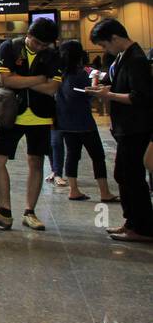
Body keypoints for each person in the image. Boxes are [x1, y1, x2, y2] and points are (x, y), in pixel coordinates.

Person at [0, 17, 62, 231]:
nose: (41, 48)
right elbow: (6, 80)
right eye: (38, 43)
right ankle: (4, 211)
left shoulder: (52, 54)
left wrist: (21, 79)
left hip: (41, 116)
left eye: (45, 45)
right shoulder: (10, 47)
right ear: (29, 35)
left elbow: (53, 88)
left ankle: (29, 212)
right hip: (11, 113)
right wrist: (39, 79)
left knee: (36, 161)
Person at [86, 18, 153, 242]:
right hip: (126, 128)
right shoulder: (125, 57)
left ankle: (142, 227)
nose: (105, 50)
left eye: (105, 45)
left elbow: (140, 97)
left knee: (132, 177)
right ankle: (132, 222)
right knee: (124, 175)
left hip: (136, 128)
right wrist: (109, 90)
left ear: (115, 38)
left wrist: (109, 95)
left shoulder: (136, 60)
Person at [54, 39, 116, 203]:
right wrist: (94, 86)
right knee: (98, 156)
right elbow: (83, 94)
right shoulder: (79, 72)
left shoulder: (59, 73)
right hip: (83, 122)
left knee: (72, 155)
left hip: (65, 122)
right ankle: (104, 192)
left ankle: (73, 190)